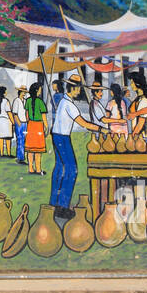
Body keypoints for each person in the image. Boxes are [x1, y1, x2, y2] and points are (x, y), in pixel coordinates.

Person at [49, 74, 104, 219]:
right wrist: (100, 129)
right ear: (73, 88)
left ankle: (54, 203)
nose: (79, 92)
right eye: (78, 89)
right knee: (72, 170)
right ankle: (62, 206)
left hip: (57, 135)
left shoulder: (64, 102)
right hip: (62, 138)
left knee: (60, 168)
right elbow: (84, 123)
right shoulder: (68, 104)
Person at [25, 82, 48, 175]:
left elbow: (26, 115)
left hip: (30, 125)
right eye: (40, 89)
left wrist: (29, 123)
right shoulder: (40, 102)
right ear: (37, 90)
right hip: (38, 126)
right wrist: (47, 127)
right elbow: (44, 117)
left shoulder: (28, 101)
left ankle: (30, 168)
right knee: (38, 150)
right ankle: (38, 169)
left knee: (30, 150)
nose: (41, 91)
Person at [0, 86, 13, 157]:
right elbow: (9, 113)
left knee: (0, 138)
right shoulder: (6, 101)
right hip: (6, 120)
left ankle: (1, 153)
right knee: (8, 138)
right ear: (4, 92)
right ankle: (9, 153)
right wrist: (13, 122)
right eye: (6, 91)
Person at [12, 85, 29, 165]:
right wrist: (18, 123)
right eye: (23, 92)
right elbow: (14, 113)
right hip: (19, 122)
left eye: (25, 92)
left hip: (25, 122)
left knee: (24, 140)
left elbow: (26, 112)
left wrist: (27, 121)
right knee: (20, 140)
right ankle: (20, 158)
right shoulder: (16, 101)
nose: (24, 93)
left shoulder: (25, 101)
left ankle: (22, 157)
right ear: (20, 92)